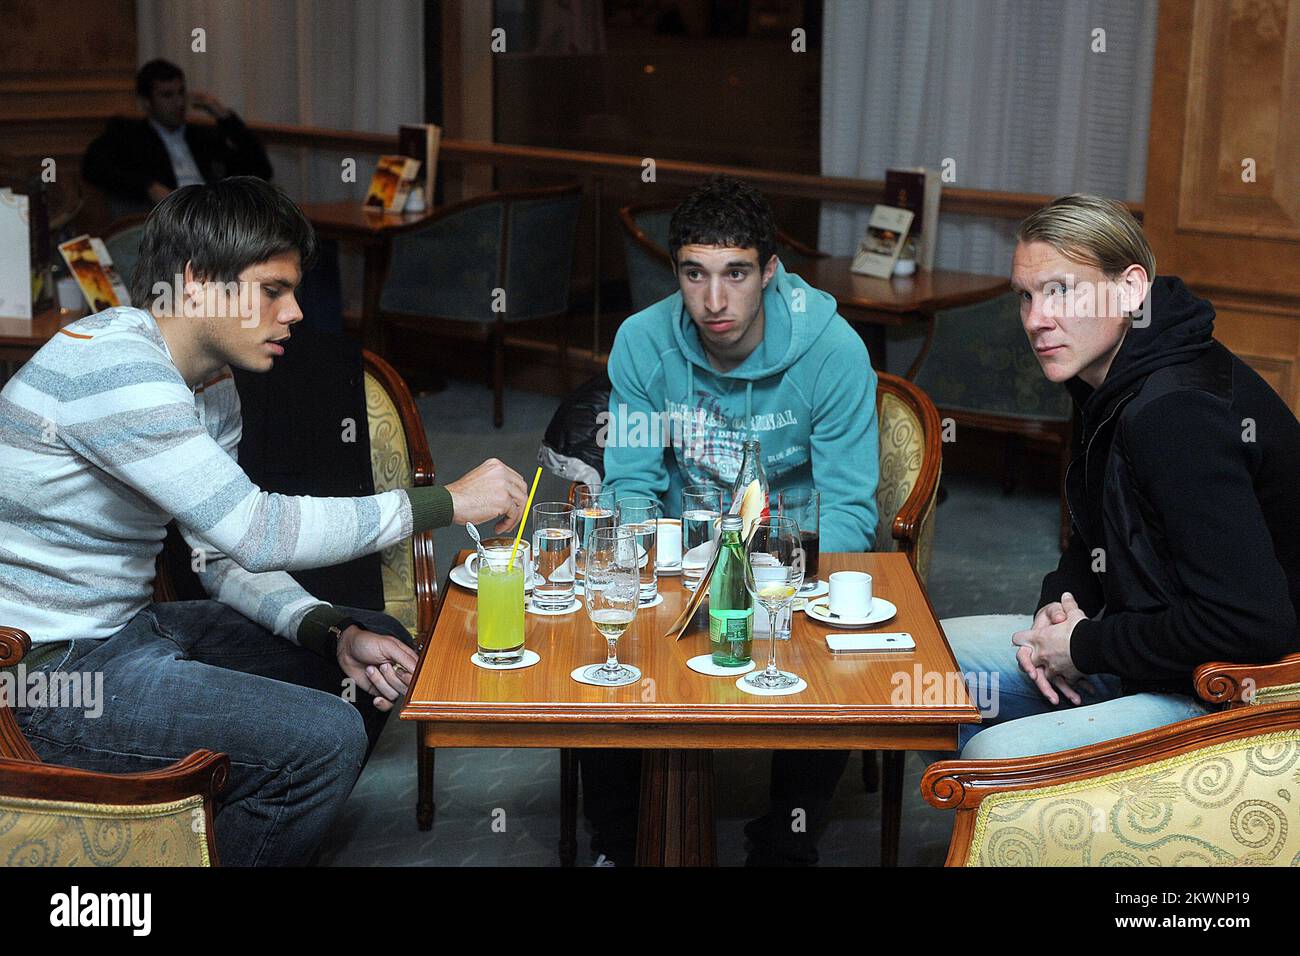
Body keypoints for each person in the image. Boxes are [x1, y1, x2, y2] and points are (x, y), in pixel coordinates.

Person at [0, 177, 528, 865]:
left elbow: (223, 554)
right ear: (196, 283)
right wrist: (448, 502)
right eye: (272, 289)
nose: (297, 313)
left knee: (375, 640)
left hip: (122, 634)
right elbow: (259, 530)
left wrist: (328, 630)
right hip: (44, 677)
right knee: (326, 738)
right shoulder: (113, 365)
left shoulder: (212, 387)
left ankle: (200, 829)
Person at [586, 174, 880, 865]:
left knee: (831, 661)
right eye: (695, 274)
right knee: (602, 641)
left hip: (791, 560)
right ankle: (620, 844)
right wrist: (637, 577)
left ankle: (784, 845)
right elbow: (631, 484)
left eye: (736, 274)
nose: (714, 300)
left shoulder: (834, 350)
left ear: (770, 273)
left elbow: (849, 509)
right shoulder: (639, 342)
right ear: (676, 273)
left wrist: (777, 590)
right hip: (680, 558)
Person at [942, 194, 1299, 761]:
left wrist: (1084, 645)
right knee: (921, 663)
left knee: (994, 758)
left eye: (1061, 290)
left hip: (1241, 695)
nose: (1036, 319)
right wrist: (1056, 610)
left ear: (1131, 289)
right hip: (1157, 651)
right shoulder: (1104, 373)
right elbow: (1097, 538)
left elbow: (1250, 623)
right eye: (1026, 297)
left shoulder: (1176, 414)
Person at [82, 59, 272, 218]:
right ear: (146, 102)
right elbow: (92, 167)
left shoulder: (202, 136)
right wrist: (148, 186)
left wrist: (224, 116)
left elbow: (260, 169)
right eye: (167, 95)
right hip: (166, 221)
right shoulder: (128, 135)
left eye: (181, 92)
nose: (179, 102)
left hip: (212, 218)